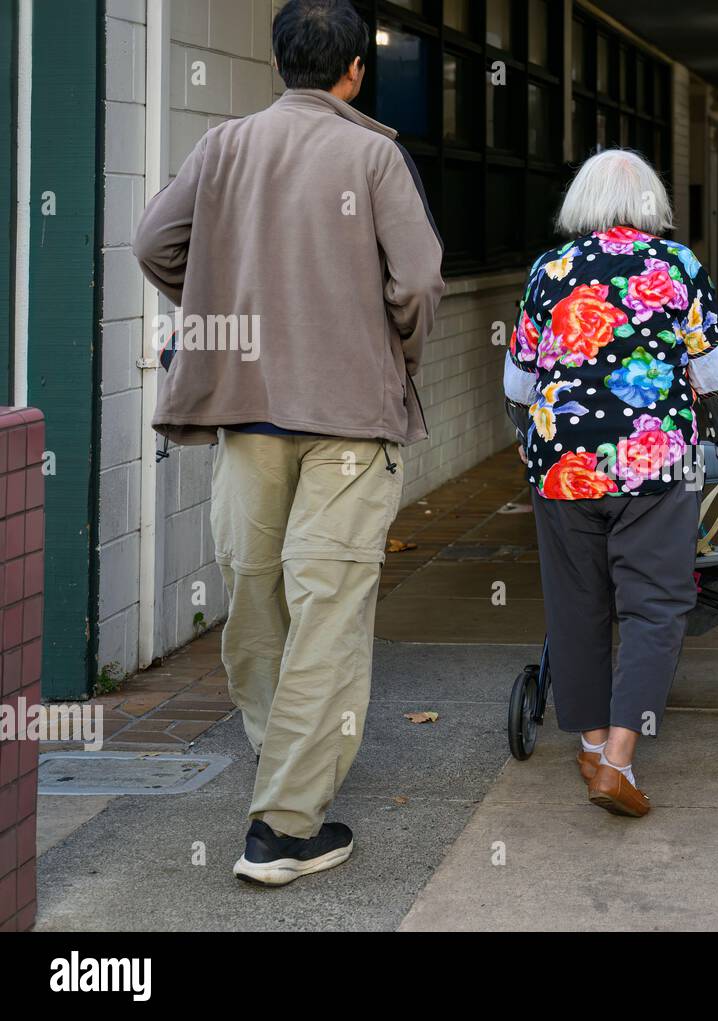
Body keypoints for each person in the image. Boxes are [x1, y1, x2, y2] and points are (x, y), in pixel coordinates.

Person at [132, 0, 445, 885]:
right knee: (329, 608)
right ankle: (284, 824)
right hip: (349, 421)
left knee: (256, 599)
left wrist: (219, 311)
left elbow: (155, 244)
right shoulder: (373, 153)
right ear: (354, 72)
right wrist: (397, 350)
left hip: (246, 410)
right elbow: (418, 279)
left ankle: (285, 771)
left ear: (280, 64)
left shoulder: (226, 146)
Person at [503, 149, 718, 818]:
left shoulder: (549, 270)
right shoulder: (677, 267)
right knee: (656, 604)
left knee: (578, 605)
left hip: (563, 466)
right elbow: (716, 371)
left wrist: (538, 443)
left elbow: (519, 384)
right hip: (656, 465)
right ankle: (619, 758)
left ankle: (590, 744)